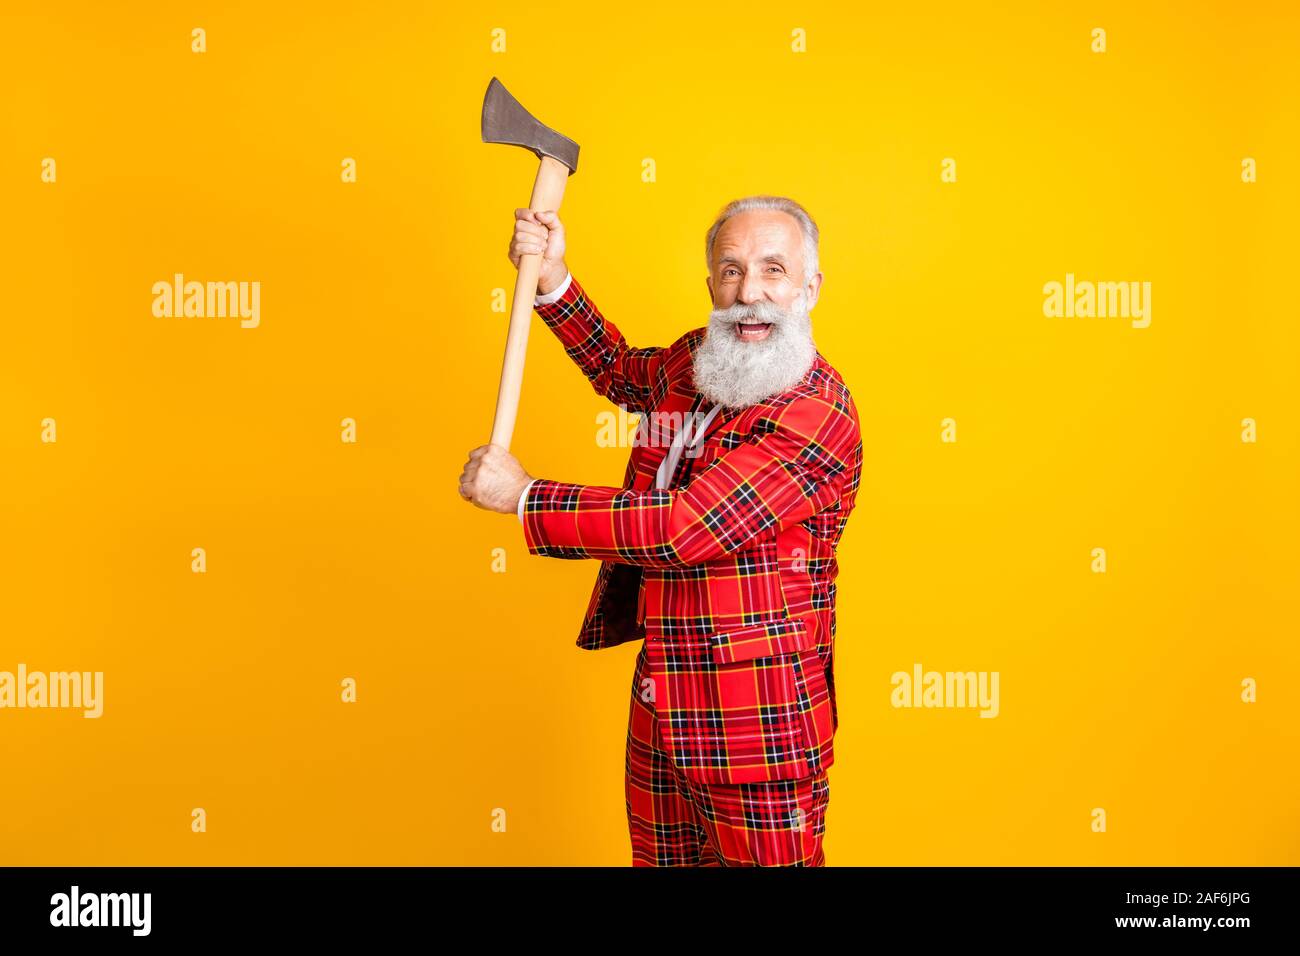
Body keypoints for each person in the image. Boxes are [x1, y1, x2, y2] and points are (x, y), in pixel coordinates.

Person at [459, 196, 863, 866]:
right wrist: (553, 277)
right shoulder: (700, 362)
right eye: (731, 271)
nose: (750, 292)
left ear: (809, 287)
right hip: (662, 699)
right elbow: (618, 369)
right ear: (711, 285)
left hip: (754, 722)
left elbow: (682, 529)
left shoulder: (816, 413)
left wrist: (525, 496)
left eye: (772, 270)